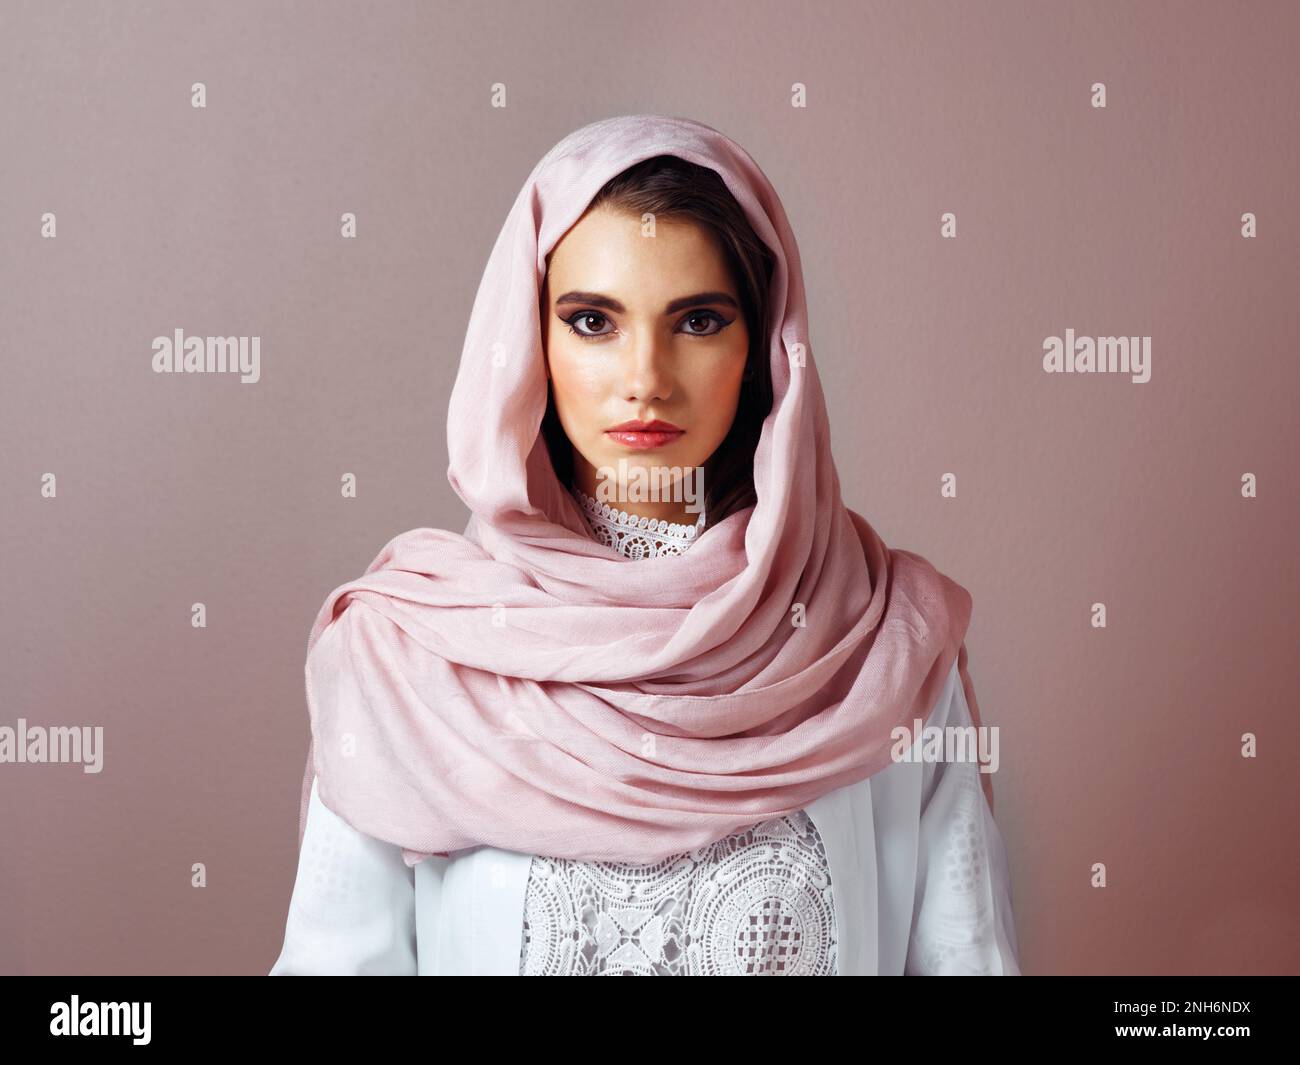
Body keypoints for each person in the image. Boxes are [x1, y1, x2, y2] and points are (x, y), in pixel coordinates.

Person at [269, 114, 1021, 975]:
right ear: (528, 344)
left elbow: (969, 961)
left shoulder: (881, 643)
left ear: (766, 349)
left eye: (698, 320)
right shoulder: (402, 661)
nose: (645, 379)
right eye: (593, 321)